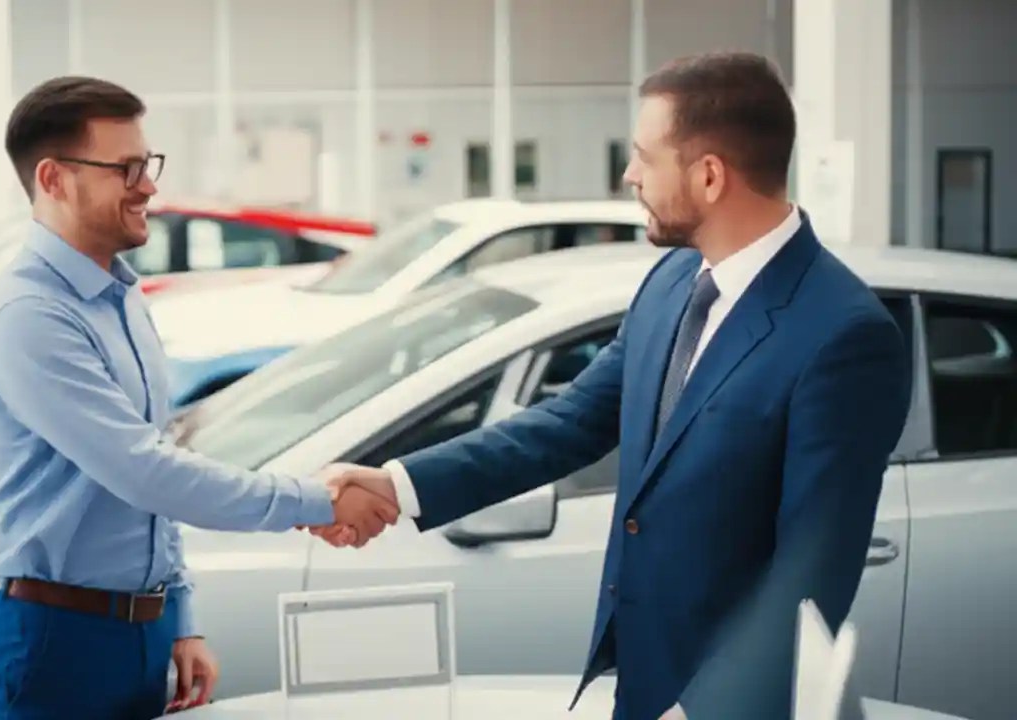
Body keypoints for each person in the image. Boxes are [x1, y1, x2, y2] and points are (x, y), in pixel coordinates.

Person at [317, 52, 912, 720]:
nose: (629, 174)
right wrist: (395, 485)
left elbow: (812, 572)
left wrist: (700, 712)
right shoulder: (672, 281)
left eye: (644, 157)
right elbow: (570, 422)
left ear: (709, 176)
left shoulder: (843, 334)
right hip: (643, 683)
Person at [0, 75, 396, 720]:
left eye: (148, 164)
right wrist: (319, 499)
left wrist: (177, 613)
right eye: (126, 169)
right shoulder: (28, 315)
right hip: (52, 637)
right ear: (53, 179)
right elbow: (144, 472)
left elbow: (149, 467)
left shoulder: (118, 295)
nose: (148, 186)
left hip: (138, 628)